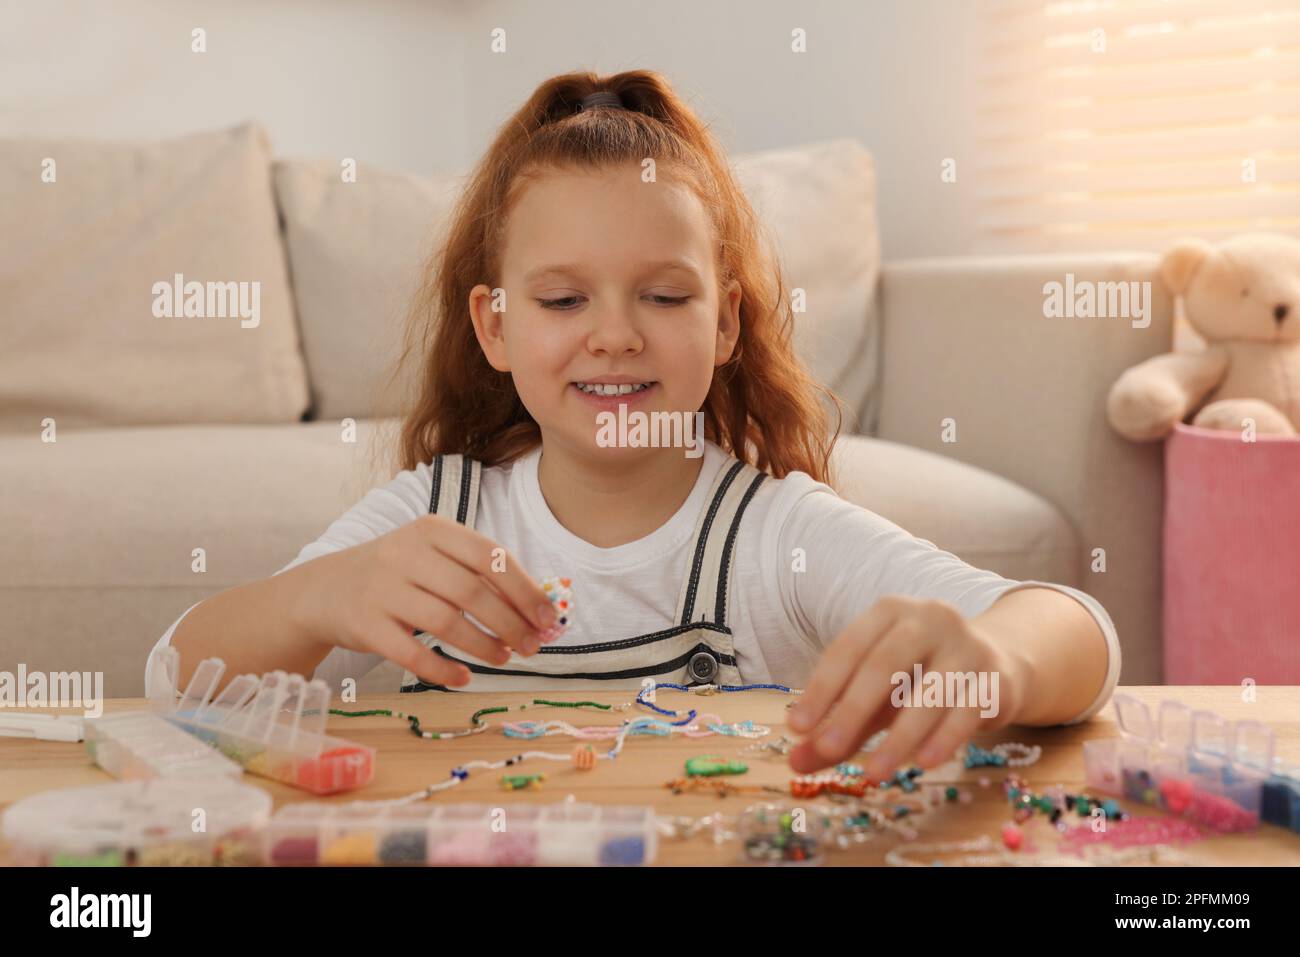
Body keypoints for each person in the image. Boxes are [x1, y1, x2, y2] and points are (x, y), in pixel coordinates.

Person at [148, 70, 1118, 778]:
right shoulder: (433, 518)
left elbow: (1081, 639)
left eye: (661, 295)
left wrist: (995, 659)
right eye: (563, 302)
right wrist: (316, 598)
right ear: (495, 327)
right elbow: (175, 680)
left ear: (726, 321)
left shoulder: (771, 535)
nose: (612, 337)